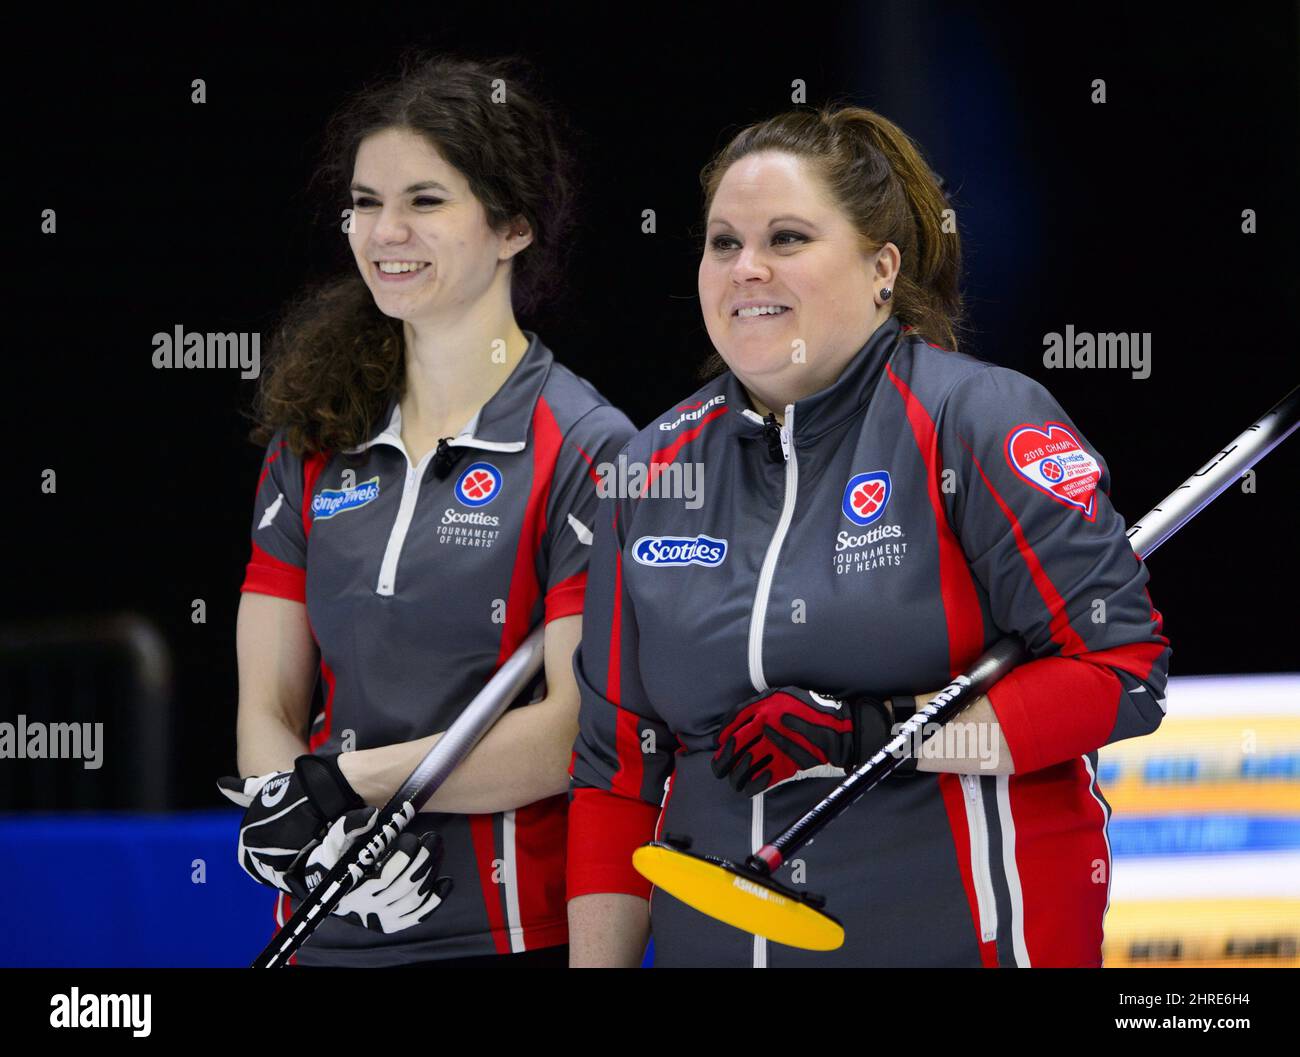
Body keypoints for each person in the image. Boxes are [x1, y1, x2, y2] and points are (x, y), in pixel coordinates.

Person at [566, 106, 1170, 968]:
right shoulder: (649, 466)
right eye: (723, 243)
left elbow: (1121, 675)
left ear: (882, 267)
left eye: (787, 237)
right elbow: (616, 771)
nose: (748, 269)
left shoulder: (974, 419)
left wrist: (884, 733)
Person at [220, 52, 635, 967]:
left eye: (425, 200)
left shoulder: (588, 445)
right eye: (366, 202)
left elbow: (578, 729)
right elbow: (266, 702)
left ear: (513, 226)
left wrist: (349, 784)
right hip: (325, 922)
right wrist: (315, 825)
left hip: (507, 932)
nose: (385, 231)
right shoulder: (312, 437)